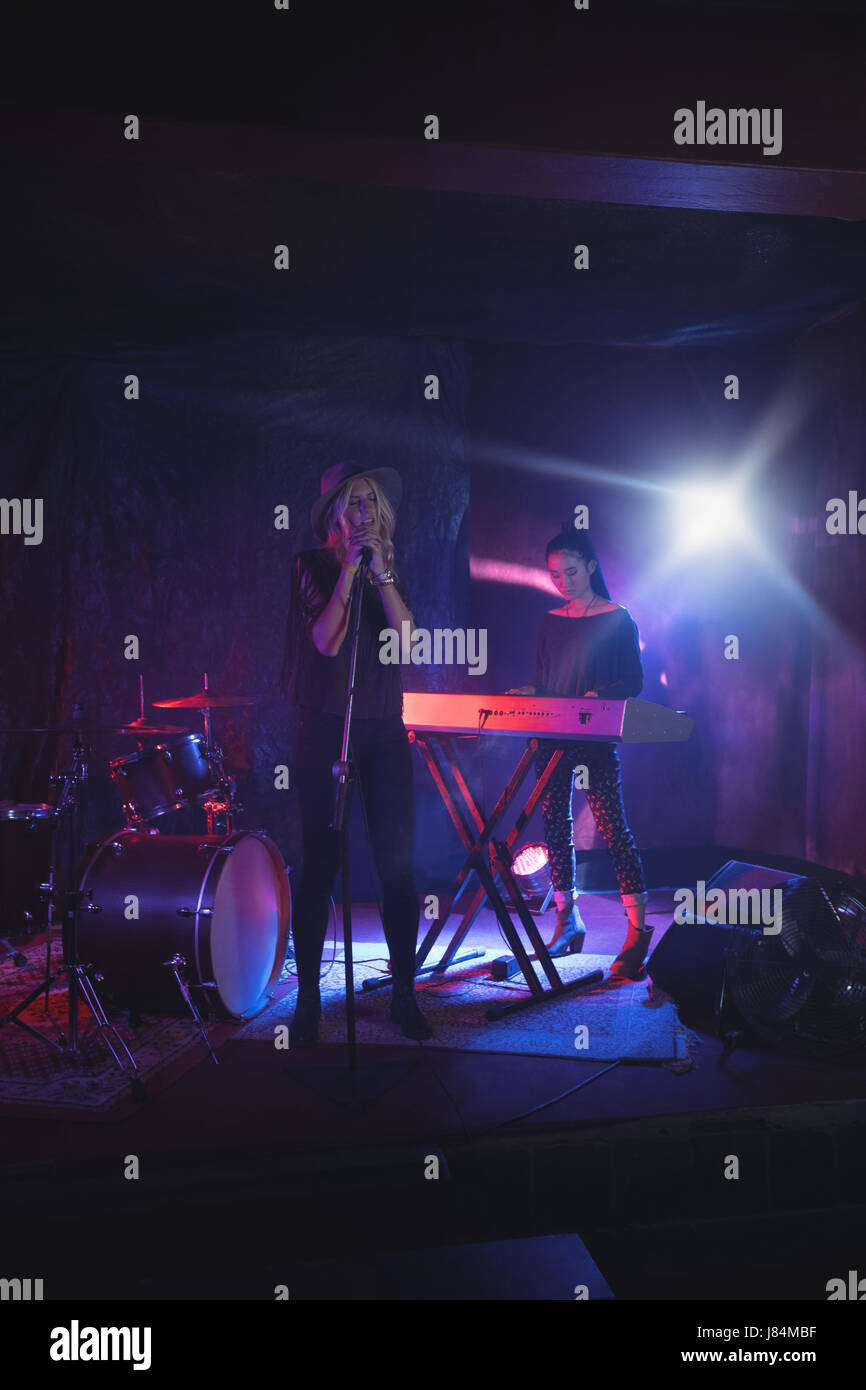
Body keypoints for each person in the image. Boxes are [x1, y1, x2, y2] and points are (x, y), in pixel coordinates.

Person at [279, 461, 432, 1046]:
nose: (364, 513)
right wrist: (348, 572)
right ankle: (311, 998)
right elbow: (326, 641)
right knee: (320, 864)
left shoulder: (390, 568)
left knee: (399, 864)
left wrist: (383, 578)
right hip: (324, 730)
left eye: (371, 503)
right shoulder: (310, 564)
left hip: (383, 730)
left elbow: (408, 643)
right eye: (353, 504)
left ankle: (402, 992)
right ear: (335, 517)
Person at [508, 526, 653, 979]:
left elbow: (633, 681)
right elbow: (546, 681)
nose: (563, 581)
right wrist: (529, 692)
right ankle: (567, 920)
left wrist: (597, 695)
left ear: (591, 566)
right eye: (554, 574)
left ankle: (637, 931)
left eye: (570, 571)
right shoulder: (551, 621)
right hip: (552, 735)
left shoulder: (618, 617)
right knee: (554, 824)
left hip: (593, 736)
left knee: (613, 828)